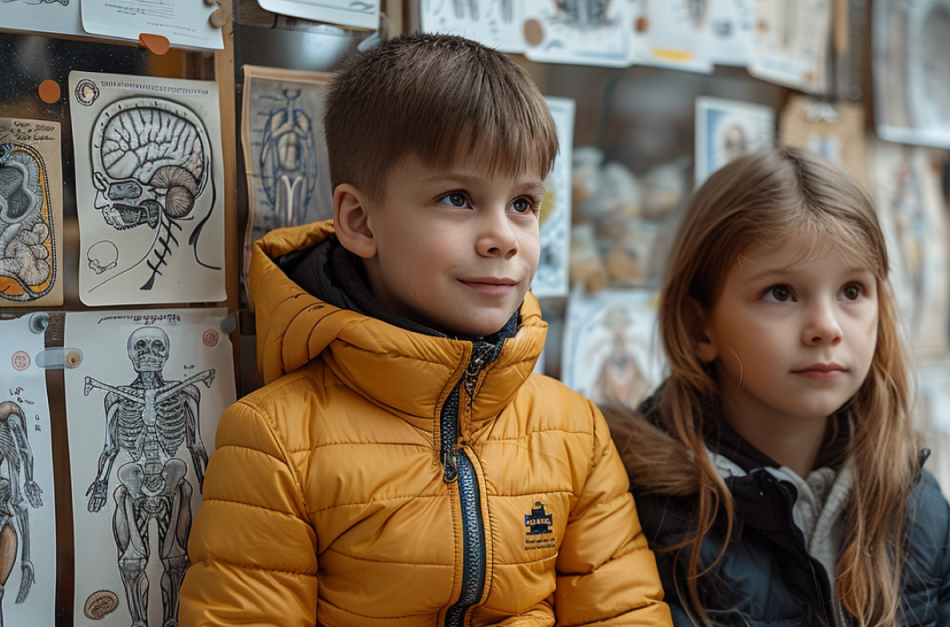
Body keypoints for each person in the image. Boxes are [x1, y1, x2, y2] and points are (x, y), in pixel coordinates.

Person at [180, 34, 669, 626]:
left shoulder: (575, 433)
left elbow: (624, 613)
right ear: (360, 221)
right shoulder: (276, 441)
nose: (503, 237)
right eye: (458, 198)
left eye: (522, 203)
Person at [606, 147, 950, 627]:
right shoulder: (642, 513)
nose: (826, 328)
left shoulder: (914, 505)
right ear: (699, 326)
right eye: (781, 293)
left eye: (852, 291)